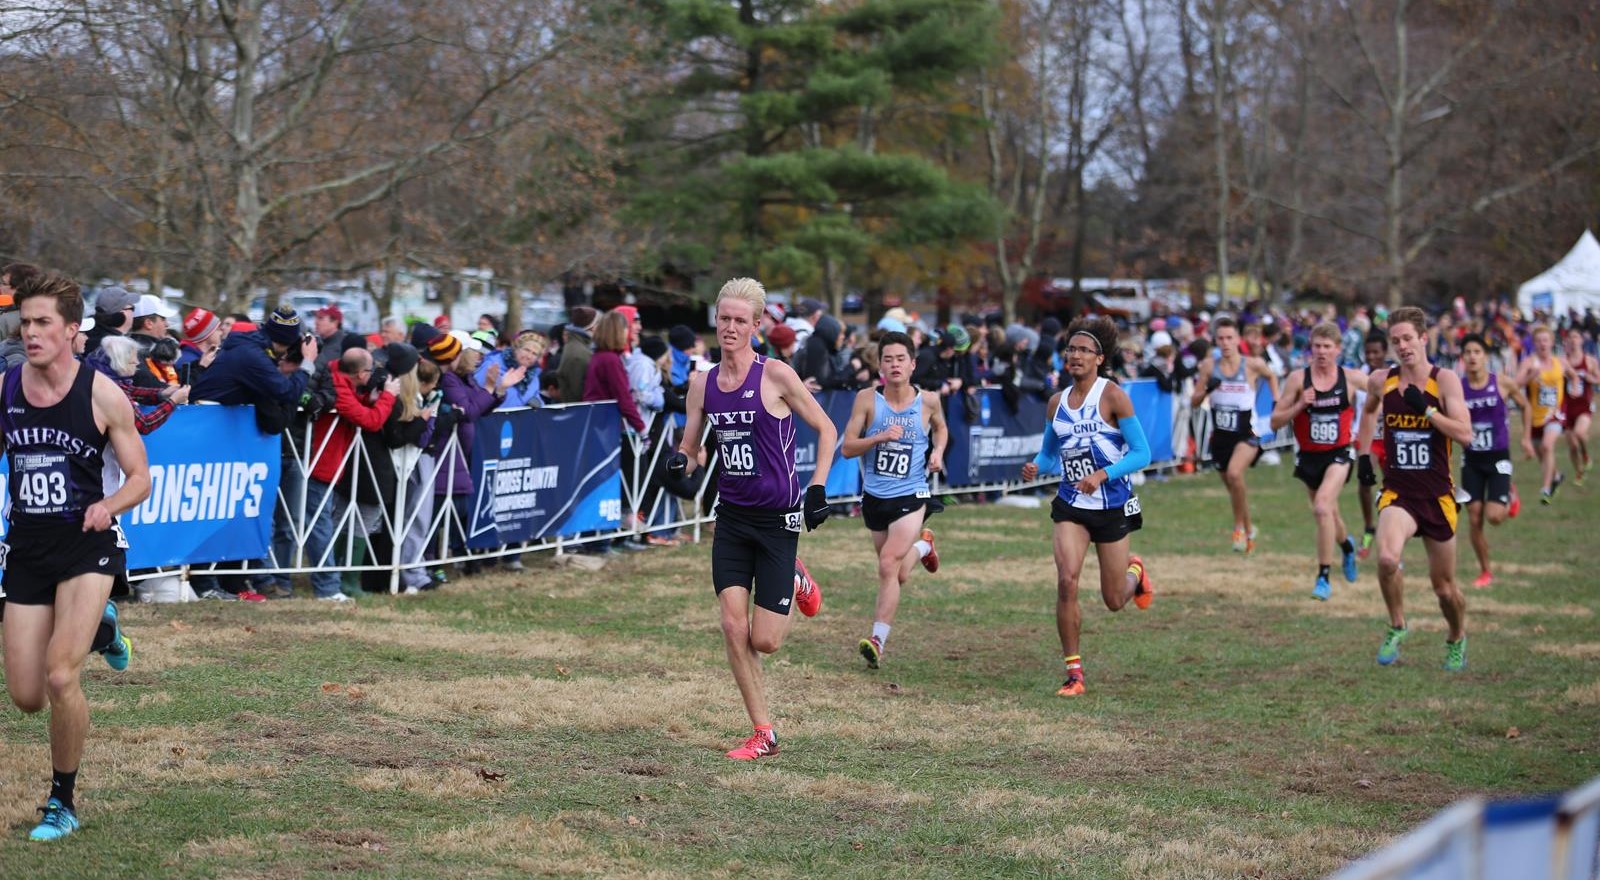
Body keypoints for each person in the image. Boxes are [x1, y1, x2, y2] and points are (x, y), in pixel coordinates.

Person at [0, 271, 152, 841]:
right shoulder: (6, 389)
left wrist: (108, 506)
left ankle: (61, 802)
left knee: (61, 676)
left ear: (70, 330)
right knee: (27, 696)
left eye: (43, 322)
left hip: (88, 544)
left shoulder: (102, 394)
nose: (31, 333)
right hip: (28, 547)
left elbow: (140, 478)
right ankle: (103, 630)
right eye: (25, 322)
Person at [668, 278, 836, 760]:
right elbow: (692, 448)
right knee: (732, 626)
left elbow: (826, 429)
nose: (730, 327)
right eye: (724, 318)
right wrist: (681, 462)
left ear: (756, 325)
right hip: (732, 519)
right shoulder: (702, 384)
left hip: (778, 520)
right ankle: (764, 732)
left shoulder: (776, 375)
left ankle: (797, 576)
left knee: (766, 641)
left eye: (740, 320)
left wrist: (817, 488)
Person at [1019, 316, 1154, 697]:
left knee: (1114, 600)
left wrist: (1103, 474)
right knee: (1066, 581)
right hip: (1072, 504)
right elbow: (1050, 455)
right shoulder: (1056, 403)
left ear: (1099, 358)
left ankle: (1135, 572)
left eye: (1084, 350)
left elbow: (1142, 453)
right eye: (1071, 349)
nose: (1075, 356)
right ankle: (1074, 674)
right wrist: (1036, 466)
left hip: (1111, 505)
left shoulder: (1113, 396)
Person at [1355, 306, 1474, 671]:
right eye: (1396, 341)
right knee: (1387, 559)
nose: (1402, 346)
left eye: (1408, 338)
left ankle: (1456, 637)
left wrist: (1428, 411)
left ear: (1423, 339)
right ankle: (1397, 624)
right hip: (1399, 494)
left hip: (1437, 496)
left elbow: (1465, 435)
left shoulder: (1445, 380)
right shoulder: (1381, 380)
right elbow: (1369, 412)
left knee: (1444, 589)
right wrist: (1363, 455)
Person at [840, 331, 947, 669]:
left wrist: (938, 453)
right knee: (897, 574)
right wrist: (880, 437)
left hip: (912, 493)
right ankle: (924, 547)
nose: (895, 364)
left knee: (887, 564)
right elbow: (847, 448)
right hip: (875, 496)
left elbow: (941, 428)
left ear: (913, 364)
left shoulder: (928, 401)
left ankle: (877, 641)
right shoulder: (867, 400)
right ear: (880, 366)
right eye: (888, 359)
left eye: (901, 359)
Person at [1269, 322, 1365, 600]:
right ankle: (1347, 546)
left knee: (1322, 507)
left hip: (1339, 454)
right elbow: (1275, 421)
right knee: (1330, 515)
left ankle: (1323, 577)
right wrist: (1300, 405)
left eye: (1327, 347)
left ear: (1338, 349)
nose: (1321, 352)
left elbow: (1384, 390)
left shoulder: (1350, 378)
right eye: (1317, 346)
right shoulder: (1298, 380)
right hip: (1309, 457)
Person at [1192, 316, 1279, 553]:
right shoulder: (1209, 366)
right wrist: (1208, 389)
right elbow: (1194, 401)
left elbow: (1271, 376)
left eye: (1229, 338)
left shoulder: (1252, 364)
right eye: (1221, 338)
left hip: (1246, 434)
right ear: (1215, 340)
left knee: (1234, 474)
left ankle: (1238, 528)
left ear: (1238, 339)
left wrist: (1276, 401)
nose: (1225, 343)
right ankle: (1250, 531)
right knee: (1234, 489)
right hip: (1221, 437)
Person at [1457, 333, 1528, 589]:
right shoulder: (1458, 388)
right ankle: (1485, 571)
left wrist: (1526, 438)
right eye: (1468, 352)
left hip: (1498, 458)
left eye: (1477, 352)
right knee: (1474, 517)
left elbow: (1525, 406)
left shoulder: (1502, 383)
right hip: (1471, 459)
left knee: (1494, 517)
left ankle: (1509, 495)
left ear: (1485, 356)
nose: (1472, 357)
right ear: (1462, 358)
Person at [1512, 325, 1567, 503]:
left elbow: (1573, 375)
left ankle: (1546, 488)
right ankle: (1556, 476)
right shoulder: (1529, 363)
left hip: (1556, 413)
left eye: (1545, 340)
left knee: (1547, 446)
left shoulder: (1560, 362)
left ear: (1551, 342)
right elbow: (1514, 385)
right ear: (1534, 343)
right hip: (1534, 416)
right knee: (1541, 453)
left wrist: (1574, 384)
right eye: (1538, 341)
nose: (1542, 344)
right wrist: (1530, 376)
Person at [1353, 331, 1391, 559]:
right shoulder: (1360, 375)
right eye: (1368, 352)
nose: (1371, 356)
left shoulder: (1395, 375)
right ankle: (1369, 528)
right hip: (1368, 438)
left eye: (1376, 352)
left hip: (1392, 439)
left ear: (1385, 352)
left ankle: (1390, 534)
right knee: (1364, 481)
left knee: (1393, 487)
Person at [1561, 327, 1598, 484]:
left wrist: (1591, 378)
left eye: (1576, 337)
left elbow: (1598, 379)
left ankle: (1586, 455)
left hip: (1584, 405)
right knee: (1572, 445)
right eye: (1571, 337)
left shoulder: (1589, 360)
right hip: (1567, 406)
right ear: (1567, 341)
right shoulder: (1563, 361)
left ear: (1581, 340)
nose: (1573, 340)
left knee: (1580, 433)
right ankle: (1579, 472)